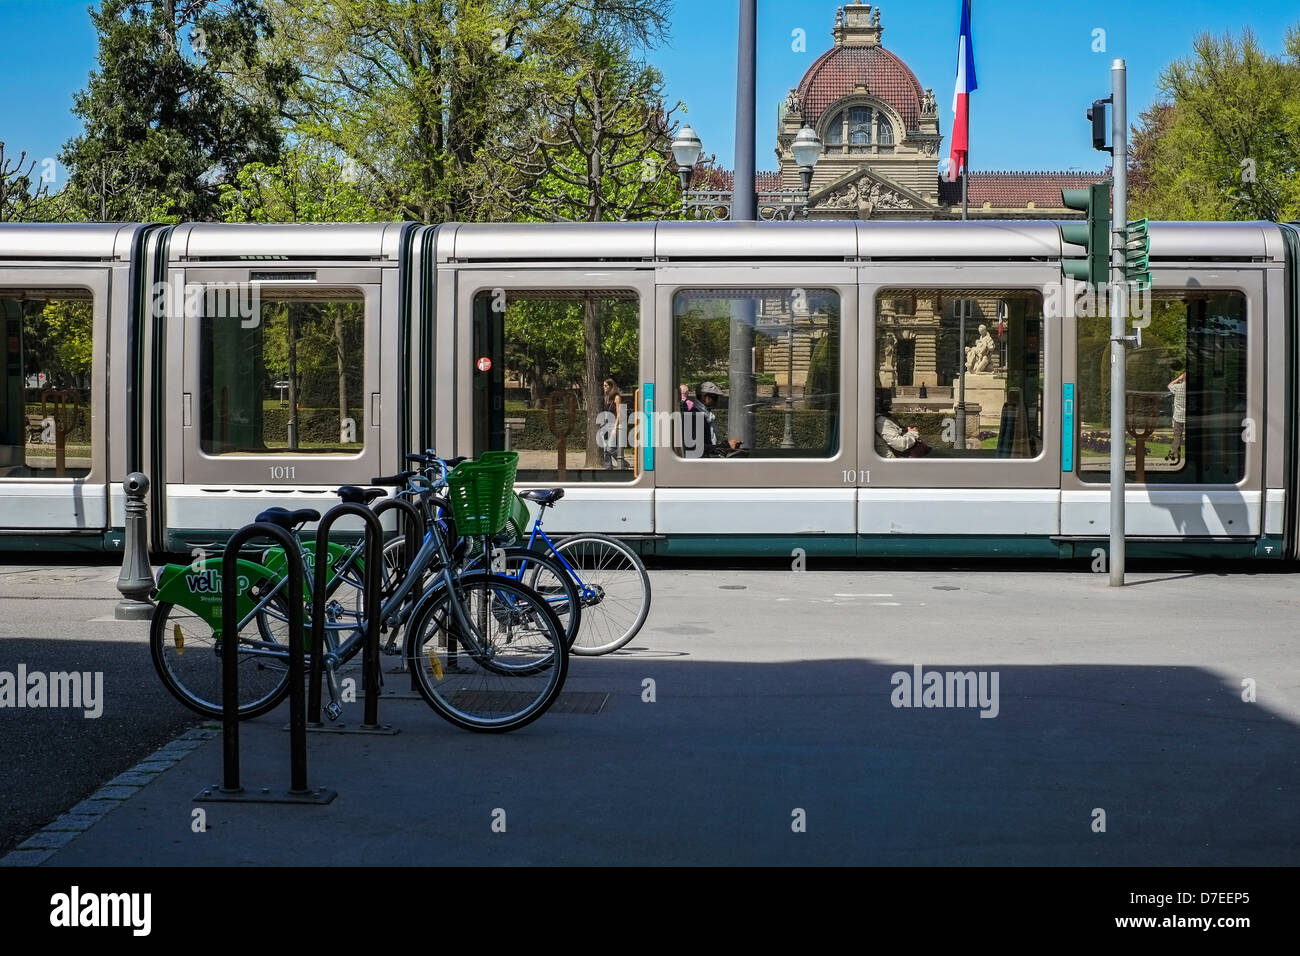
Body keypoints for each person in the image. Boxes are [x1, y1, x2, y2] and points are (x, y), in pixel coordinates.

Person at [874, 391, 921, 458]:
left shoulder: (884, 418)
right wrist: (913, 433)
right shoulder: (881, 421)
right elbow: (900, 444)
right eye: (887, 401)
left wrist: (905, 431)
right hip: (891, 462)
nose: (890, 403)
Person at [600, 377, 629, 469]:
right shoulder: (606, 396)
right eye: (603, 386)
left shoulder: (617, 397)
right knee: (605, 449)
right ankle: (608, 468)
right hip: (605, 425)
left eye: (606, 386)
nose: (604, 387)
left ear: (611, 386)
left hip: (613, 425)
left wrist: (615, 428)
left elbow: (619, 413)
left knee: (610, 448)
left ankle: (623, 463)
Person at [1165, 370, 1186, 465]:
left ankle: (1175, 453)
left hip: (1178, 416)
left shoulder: (1178, 387)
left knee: (1177, 436)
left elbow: (1169, 385)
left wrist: (1178, 379)